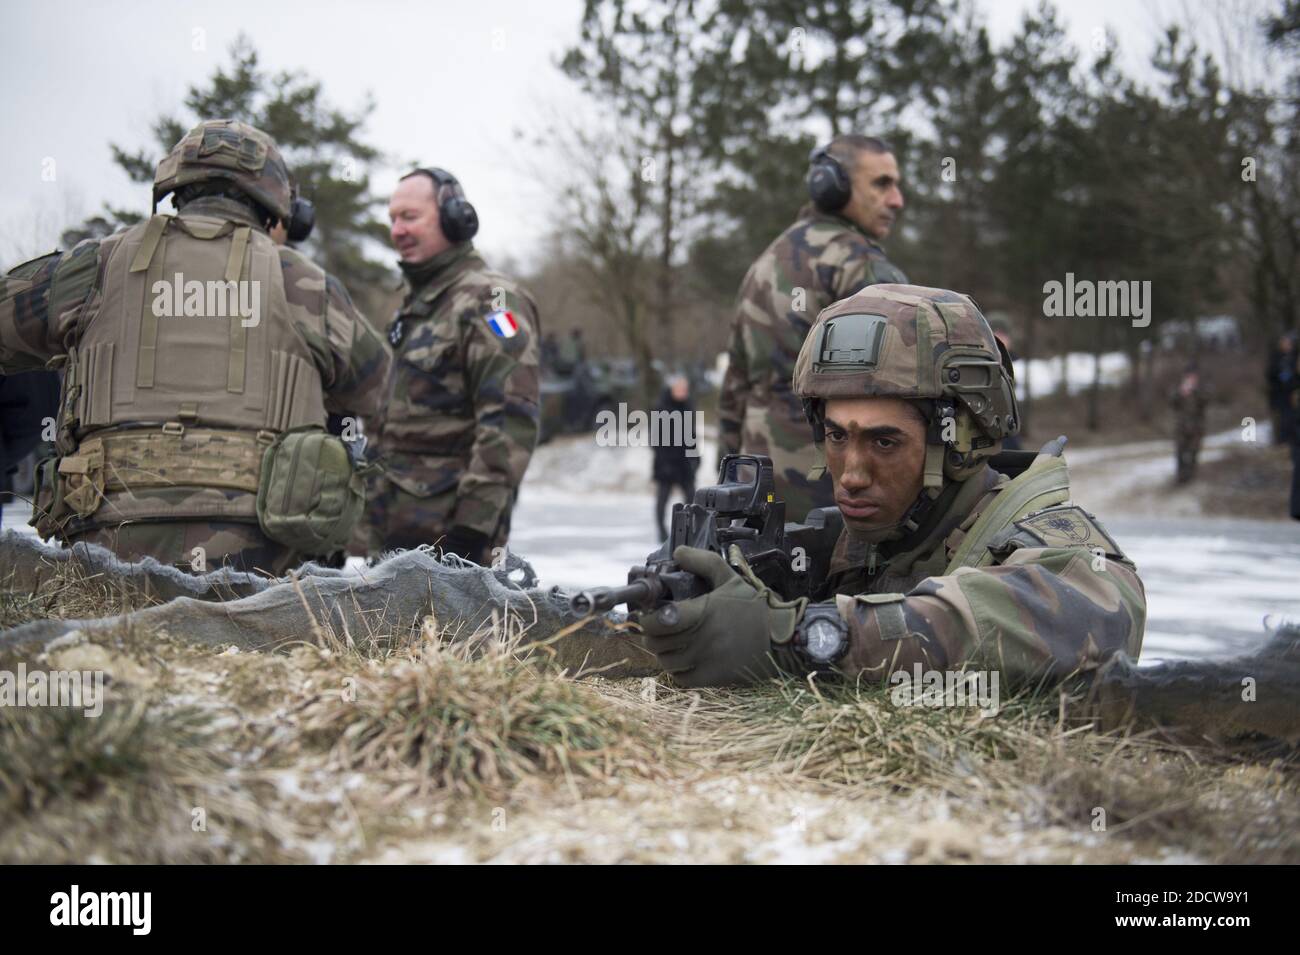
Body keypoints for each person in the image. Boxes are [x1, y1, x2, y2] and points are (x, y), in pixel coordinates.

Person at [640, 284, 1146, 688]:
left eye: (885, 443)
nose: (852, 474)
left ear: (961, 439)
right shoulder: (859, 545)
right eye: (836, 436)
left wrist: (800, 637)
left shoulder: (1059, 544)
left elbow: (1097, 615)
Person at [0, 119, 391, 574]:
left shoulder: (96, 266)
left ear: (176, 186)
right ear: (277, 207)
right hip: (260, 564)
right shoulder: (306, 285)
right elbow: (385, 394)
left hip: (104, 551)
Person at [718, 134, 908, 523]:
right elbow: (901, 395)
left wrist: (729, 485)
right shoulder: (860, 265)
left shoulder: (765, 263)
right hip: (833, 495)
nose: (896, 200)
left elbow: (733, 392)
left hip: (754, 488)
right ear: (833, 187)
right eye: (881, 183)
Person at [367, 167, 540, 566]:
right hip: (395, 534)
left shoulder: (493, 302)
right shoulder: (416, 307)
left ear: (454, 218)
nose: (397, 230)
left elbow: (510, 418)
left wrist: (470, 531)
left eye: (410, 217)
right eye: (392, 219)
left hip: (452, 543)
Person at [652, 375, 701, 540]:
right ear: (672, 389)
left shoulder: (688, 407)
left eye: (685, 389)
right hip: (666, 461)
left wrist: (696, 457)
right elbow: (655, 440)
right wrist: (664, 461)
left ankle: (690, 529)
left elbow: (691, 436)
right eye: (680, 389)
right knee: (663, 497)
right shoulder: (661, 408)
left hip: (684, 462)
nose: (683, 392)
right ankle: (661, 531)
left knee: (692, 497)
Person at [1170, 366, 1208, 484]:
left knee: (1193, 451)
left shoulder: (1201, 389)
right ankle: (1181, 476)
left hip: (1197, 427)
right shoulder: (1179, 390)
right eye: (1188, 377)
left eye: (1193, 377)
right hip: (1181, 427)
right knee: (1180, 451)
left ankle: (1191, 475)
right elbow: (1172, 404)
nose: (1191, 379)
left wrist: (1195, 391)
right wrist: (1181, 393)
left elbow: (1206, 401)